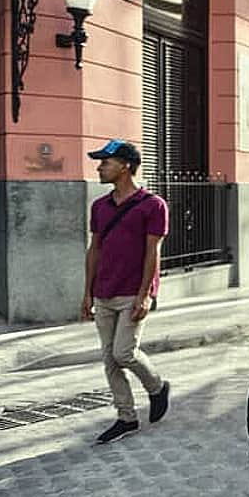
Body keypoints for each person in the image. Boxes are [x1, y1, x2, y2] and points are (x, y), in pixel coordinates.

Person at [83, 140, 171, 445]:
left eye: (105, 162)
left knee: (123, 353)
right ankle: (126, 417)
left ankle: (157, 387)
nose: (99, 167)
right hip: (104, 293)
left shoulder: (153, 205)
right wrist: (87, 293)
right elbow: (95, 249)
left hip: (132, 293)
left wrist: (145, 294)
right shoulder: (100, 207)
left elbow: (152, 253)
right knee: (109, 359)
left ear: (125, 166)